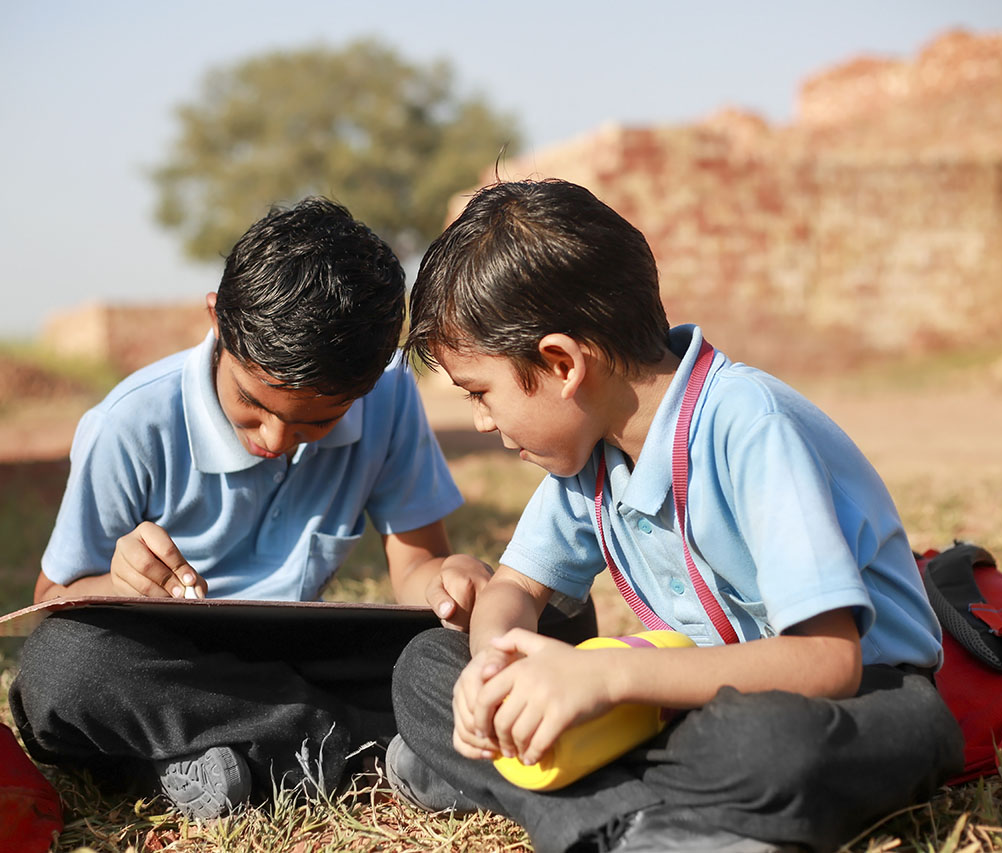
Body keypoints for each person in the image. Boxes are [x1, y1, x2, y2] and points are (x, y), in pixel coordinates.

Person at [385, 179, 964, 853]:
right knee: (425, 666)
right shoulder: (589, 455)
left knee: (770, 743)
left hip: (855, 702)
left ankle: (557, 798)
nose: (482, 421)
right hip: (684, 700)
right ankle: (647, 819)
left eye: (481, 393)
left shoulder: (749, 425)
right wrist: (495, 664)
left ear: (562, 362)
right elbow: (514, 588)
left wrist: (604, 677)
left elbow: (829, 660)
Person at [9, 198, 495, 819]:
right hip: (175, 669)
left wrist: (453, 583)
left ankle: (217, 762)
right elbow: (51, 599)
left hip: (302, 657)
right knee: (64, 666)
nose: (272, 440)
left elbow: (418, 565)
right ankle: (375, 752)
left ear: (373, 378)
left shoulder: (391, 398)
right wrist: (122, 582)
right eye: (251, 403)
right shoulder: (128, 424)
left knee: (544, 614)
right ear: (216, 318)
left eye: (318, 421)